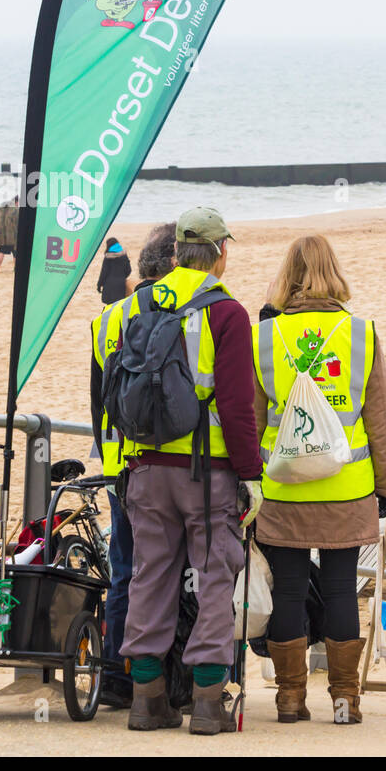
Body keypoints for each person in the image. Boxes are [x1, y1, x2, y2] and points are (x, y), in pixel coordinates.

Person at [119, 207, 265, 736]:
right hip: (208, 472)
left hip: (146, 466)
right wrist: (251, 473)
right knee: (214, 578)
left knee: (149, 576)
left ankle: (147, 700)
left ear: (177, 252)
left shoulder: (142, 303)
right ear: (221, 252)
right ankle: (207, 704)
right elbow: (236, 402)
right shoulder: (226, 312)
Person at [252, 234, 386, 726]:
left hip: (284, 486)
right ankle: (344, 701)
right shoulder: (362, 333)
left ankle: (290, 699)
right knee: (339, 591)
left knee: (289, 590)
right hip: (346, 485)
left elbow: (252, 422)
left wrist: (248, 484)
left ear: (287, 275)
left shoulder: (266, 336)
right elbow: (381, 420)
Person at [88, 221, 177, 710]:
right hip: (168, 461)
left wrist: (109, 455)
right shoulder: (177, 313)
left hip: (120, 461)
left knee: (127, 570)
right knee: (169, 567)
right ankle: (165, 676)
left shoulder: (107, 320)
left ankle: (119, 676)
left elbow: (97, 402)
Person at [96, 237, 132, 305]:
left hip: (109, 285)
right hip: (121, 285)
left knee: (109, 307)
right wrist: (122, 277)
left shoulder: (108, 257)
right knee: (119, 306)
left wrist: (99, 285)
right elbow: (129, 270)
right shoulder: (124, 255)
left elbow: (104, 272)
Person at [0, 197, 19, 274]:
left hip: (2, 235)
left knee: (1, 251)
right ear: (17, 202)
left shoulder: (1, 208)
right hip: (12, 236)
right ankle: (16, 269)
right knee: (15, 253)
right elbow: (18, 222)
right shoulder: (16, 210)